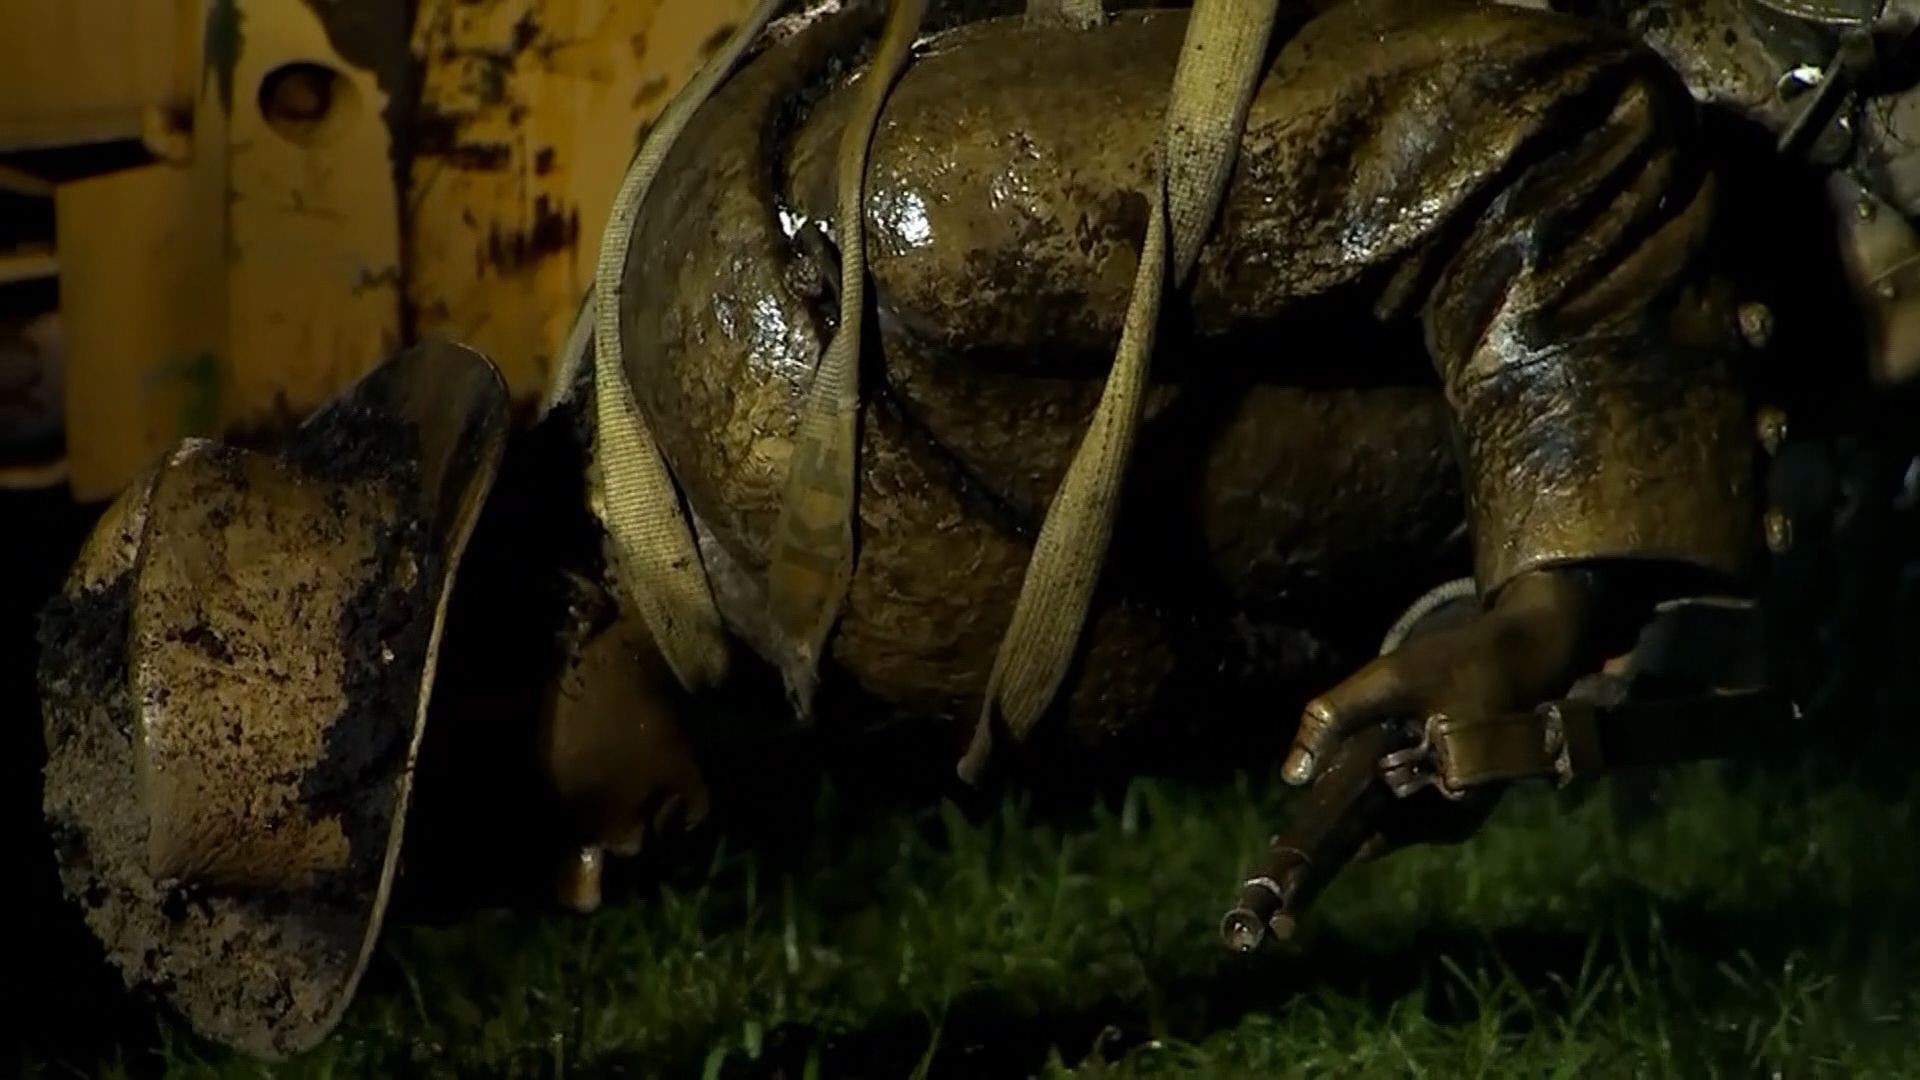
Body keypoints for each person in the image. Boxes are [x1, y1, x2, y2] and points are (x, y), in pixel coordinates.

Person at [35, 0, 1920, 1058]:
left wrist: (1549, 592)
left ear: (511, 625)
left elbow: (1536, 127)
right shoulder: (771, 589)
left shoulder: (834, 278)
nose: (590, 888)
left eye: (513, 829)